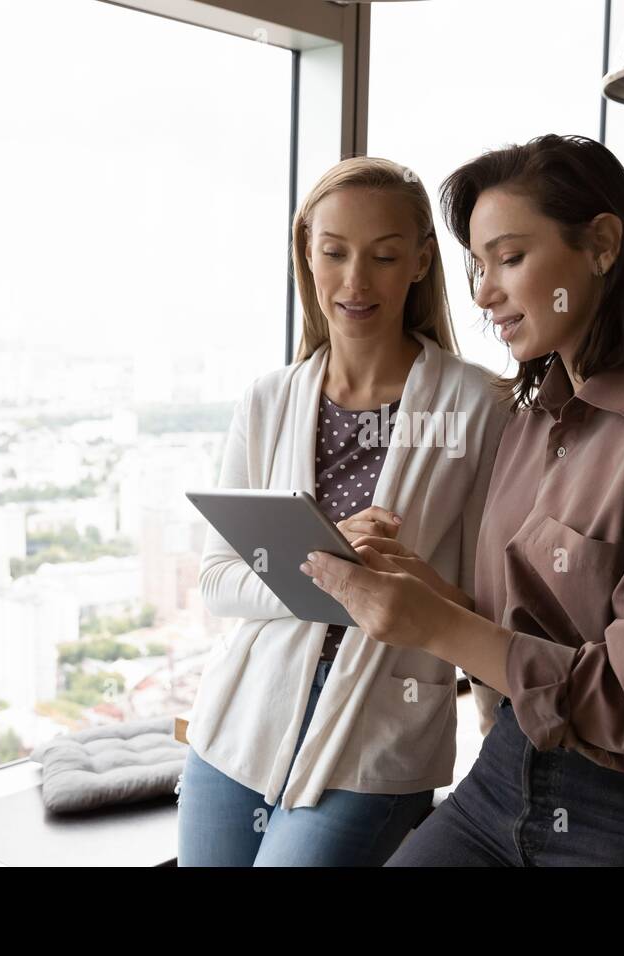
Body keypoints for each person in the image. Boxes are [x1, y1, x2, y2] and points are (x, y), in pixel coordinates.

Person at [303, 134, 624, 866]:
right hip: (505, 775)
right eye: (477, 264)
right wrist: (430, 595)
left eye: (510, 258)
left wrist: (434, 626)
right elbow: (523, 634)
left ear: (600, 245)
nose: (483, 292)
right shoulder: (531, 421)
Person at [176, 155, 509, 866]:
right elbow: (215, 581)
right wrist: (330, 559)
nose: (355, 282)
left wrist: (500, 752)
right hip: (240, 723)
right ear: (306, 253)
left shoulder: (478, 405)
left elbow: (490, 601)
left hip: (381, 736)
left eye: (384, 257)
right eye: (334, 253)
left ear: (420, 263)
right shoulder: (268, 400)